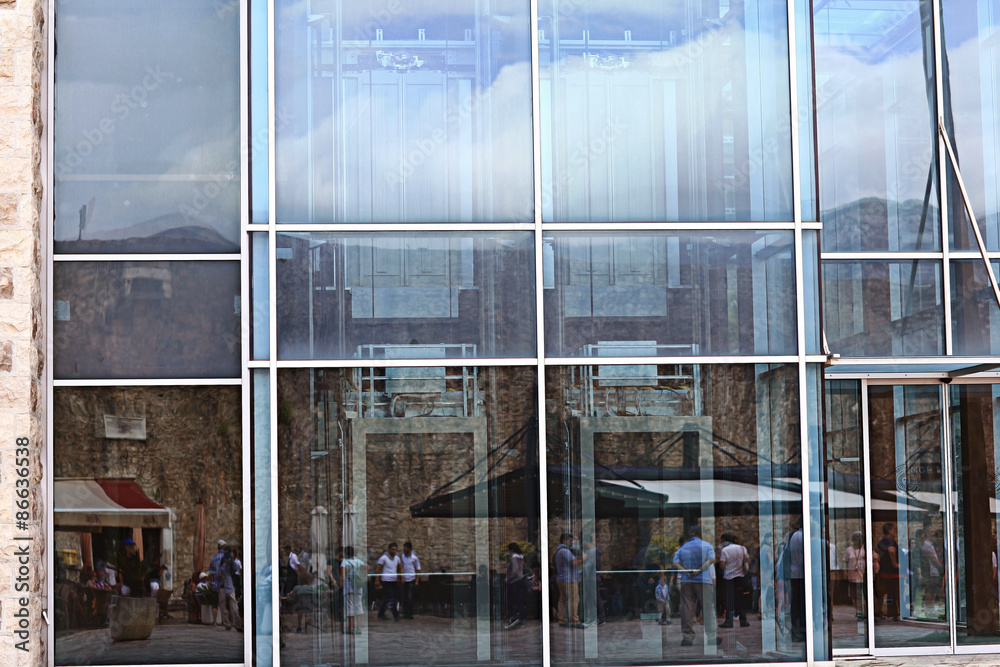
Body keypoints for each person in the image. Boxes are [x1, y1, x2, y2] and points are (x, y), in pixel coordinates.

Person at [673, 525, 719, 648]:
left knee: (687, 608)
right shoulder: (707, 545)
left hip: (686, 580)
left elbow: (675, 563)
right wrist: (699, 570)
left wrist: (686, 571)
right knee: (708, 608)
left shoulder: (683, 547)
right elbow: (711, 560)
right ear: (700, 534)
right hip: (704, 580)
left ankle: (687, 637)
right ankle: (711, 636)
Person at [719, 533, 750, 628]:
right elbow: (747, 560)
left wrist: (727, 568)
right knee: (740, 599)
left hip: (728, 577)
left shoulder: (725, 550)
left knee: (729, 599)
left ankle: (729, 621)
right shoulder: (742, 548)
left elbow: (722, 564)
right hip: (740, 576)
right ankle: (743, 620)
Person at [554, 533, 585, 629]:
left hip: (561, 578)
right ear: (564, 540)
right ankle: (574, 620)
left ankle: (562, 619)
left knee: (563, 599)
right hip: (569, 579)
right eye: (570, 541)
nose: (572, 543)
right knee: (574, 599)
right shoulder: (565, 551)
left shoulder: (559, 550)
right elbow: (574, 563)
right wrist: (583, 558)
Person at [875, 522, 901, 621]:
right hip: (892, 572)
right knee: (895, 592)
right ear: (889, 531)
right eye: (894, 530)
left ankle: (888, 612)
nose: (896, 532)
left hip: (884, 571)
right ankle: (896, 612)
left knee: (886, 593)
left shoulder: (881, 542)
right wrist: (895, 564)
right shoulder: (890, 541)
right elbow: (891, 551)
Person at [341, 546, 368, 636]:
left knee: (350, 606)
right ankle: (359, 628)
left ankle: (351, 628)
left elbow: (343, 575)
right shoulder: (358, 561)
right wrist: (362, 575)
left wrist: (341, 584)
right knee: (359, 605)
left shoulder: (344, 562)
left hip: (349, 585)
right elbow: (367, 566)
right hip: (358, 585)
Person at [217, 546, 243, 631]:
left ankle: (237, 624)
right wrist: (224, 563)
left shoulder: (232, 562)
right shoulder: (221, 561)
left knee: (234, 607)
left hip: (230, 586)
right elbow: (218, 573)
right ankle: (227, 624)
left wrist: (231, 561)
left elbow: (237, 569)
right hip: (222, 586)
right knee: (223, 607)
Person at [505, 543, 531, 630]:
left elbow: (515, 571)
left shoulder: (514, 558)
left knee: (508, 598)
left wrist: (509, 578)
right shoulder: (521, 557)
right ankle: (521, 619)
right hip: (521, 580)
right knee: (520, 600)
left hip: (514, 581)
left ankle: (514, 616)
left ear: (511, 549)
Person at [582, 537, 606, 626]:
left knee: (593, 598)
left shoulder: (592, 551)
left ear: (587, 542)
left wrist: (583, 574)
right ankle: (597, 618)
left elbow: (588, 566)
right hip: (594, 577)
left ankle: (598, 618)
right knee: (594, 597)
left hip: (591, 578)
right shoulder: (595, 551)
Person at [376, 542, 402, 621]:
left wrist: (401, 577)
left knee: (387, 598)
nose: (394, 551)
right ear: (389, 549)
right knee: (391, 598)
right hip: (386, 580)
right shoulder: (384, 558)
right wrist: (377, 580)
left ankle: (381, 614)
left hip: (394, 580)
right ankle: (396, 615)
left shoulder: (397, 558)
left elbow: (400, 567)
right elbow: (378, 569)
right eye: (392, 549)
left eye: (396, 549)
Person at [843, 531, 865, 620]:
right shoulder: (849, 550)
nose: (858, 540)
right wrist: (845, 572)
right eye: (856, 538)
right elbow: (845, 561)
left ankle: (864, 610)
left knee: (863, 594)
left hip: (863, 574)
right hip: (853, 575)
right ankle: (858, 610)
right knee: (855, 594)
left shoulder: (865, 548)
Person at [400, 541, 421, 619]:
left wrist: (417, 580)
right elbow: (401, 567)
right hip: (404, 579)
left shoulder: (414, 558)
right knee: (404, 597)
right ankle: (405, 613)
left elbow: (418, 569)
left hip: (411, 579)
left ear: (409, 549)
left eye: (405, 548)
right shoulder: (403, 556)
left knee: (410, 597)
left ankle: (410, 613)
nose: (404, 550)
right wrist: (401, 577)